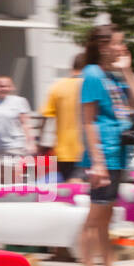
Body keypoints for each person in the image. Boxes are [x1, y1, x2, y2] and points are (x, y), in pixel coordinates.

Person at [79, 24, 134, 266]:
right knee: (94, 217)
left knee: (105, 218)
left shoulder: (114, 77)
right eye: (119, 42)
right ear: (104, 46)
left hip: (117, 155)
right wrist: (98, 162)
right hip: (103, 155)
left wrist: (127, 70)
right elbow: (89, 121)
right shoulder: (92, 75)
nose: (122, 47)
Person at [40, 53, 86, 181]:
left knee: (72, 188)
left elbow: (46, 117)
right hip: (88, 149)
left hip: (64, 151)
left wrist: (39, 143)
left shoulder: (57, 87)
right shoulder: (91, 86)